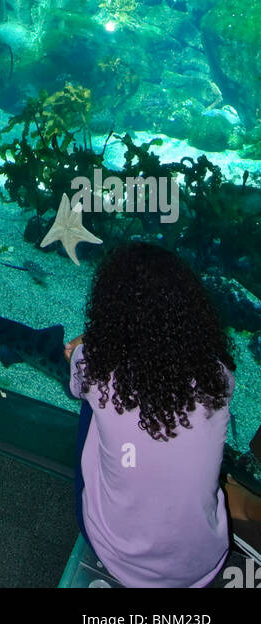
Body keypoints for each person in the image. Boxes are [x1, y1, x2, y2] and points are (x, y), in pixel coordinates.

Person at [65, 243, 235, 587]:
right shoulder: (219, 376)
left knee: (87, 400)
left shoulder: (97, 369)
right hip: (204, 564)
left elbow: (74, 362)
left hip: (119, 559)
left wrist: (87, 345)